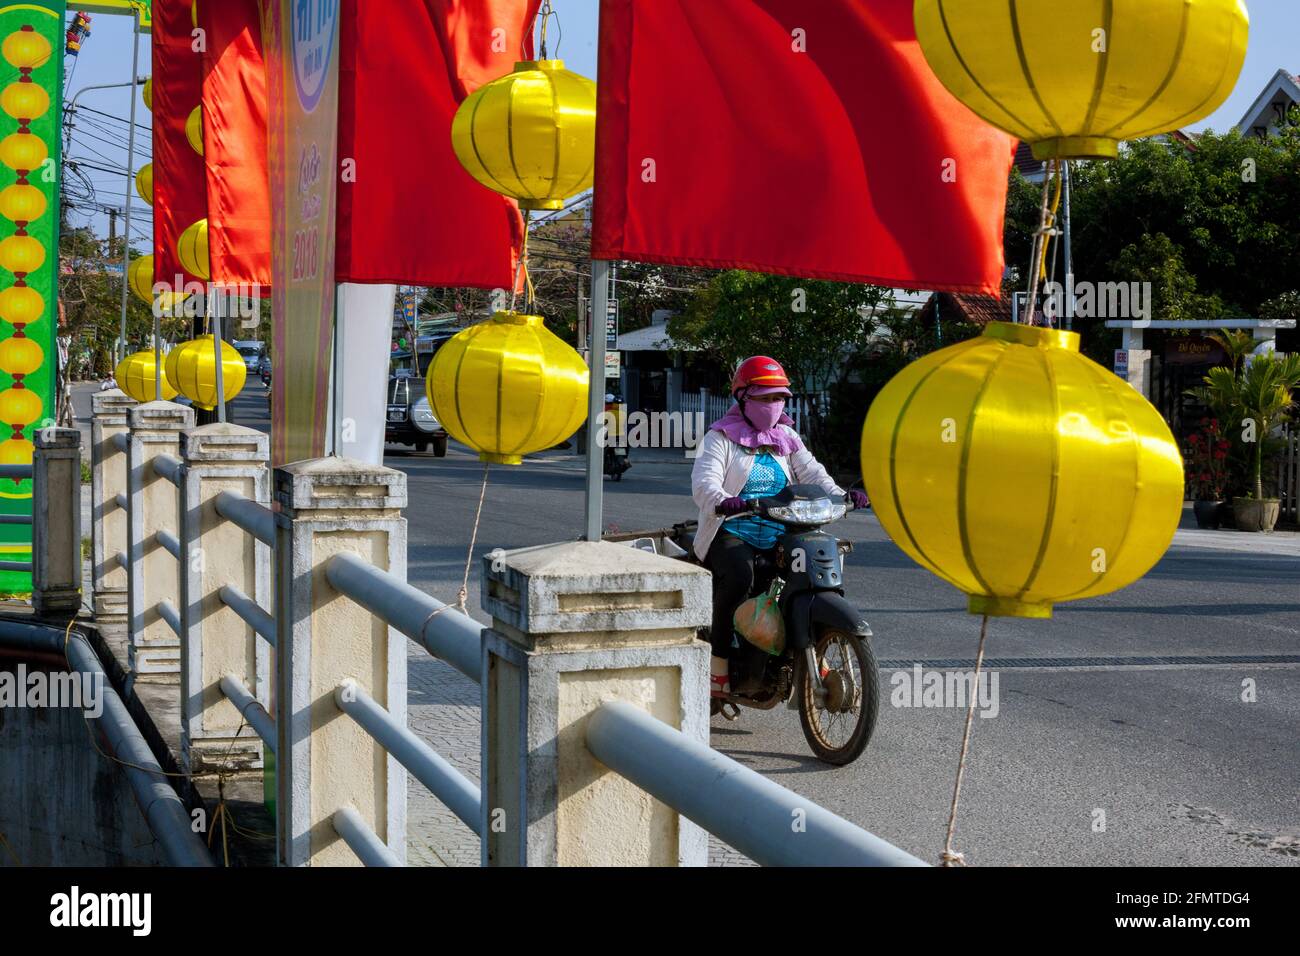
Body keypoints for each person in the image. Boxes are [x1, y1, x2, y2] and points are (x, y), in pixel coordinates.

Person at [691, 356, 869, 697]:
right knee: (741, 577)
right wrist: (724, 499)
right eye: (764, 398)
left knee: (804, 576)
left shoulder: (786, 436)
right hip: (733, 529)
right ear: (743, 397)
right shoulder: (720, 438)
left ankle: (805, 650)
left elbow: (814, 474)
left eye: (779, 398)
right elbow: (704, 481)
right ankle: (719, 666)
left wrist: (842, 495)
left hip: (782, 530)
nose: (773, 405)